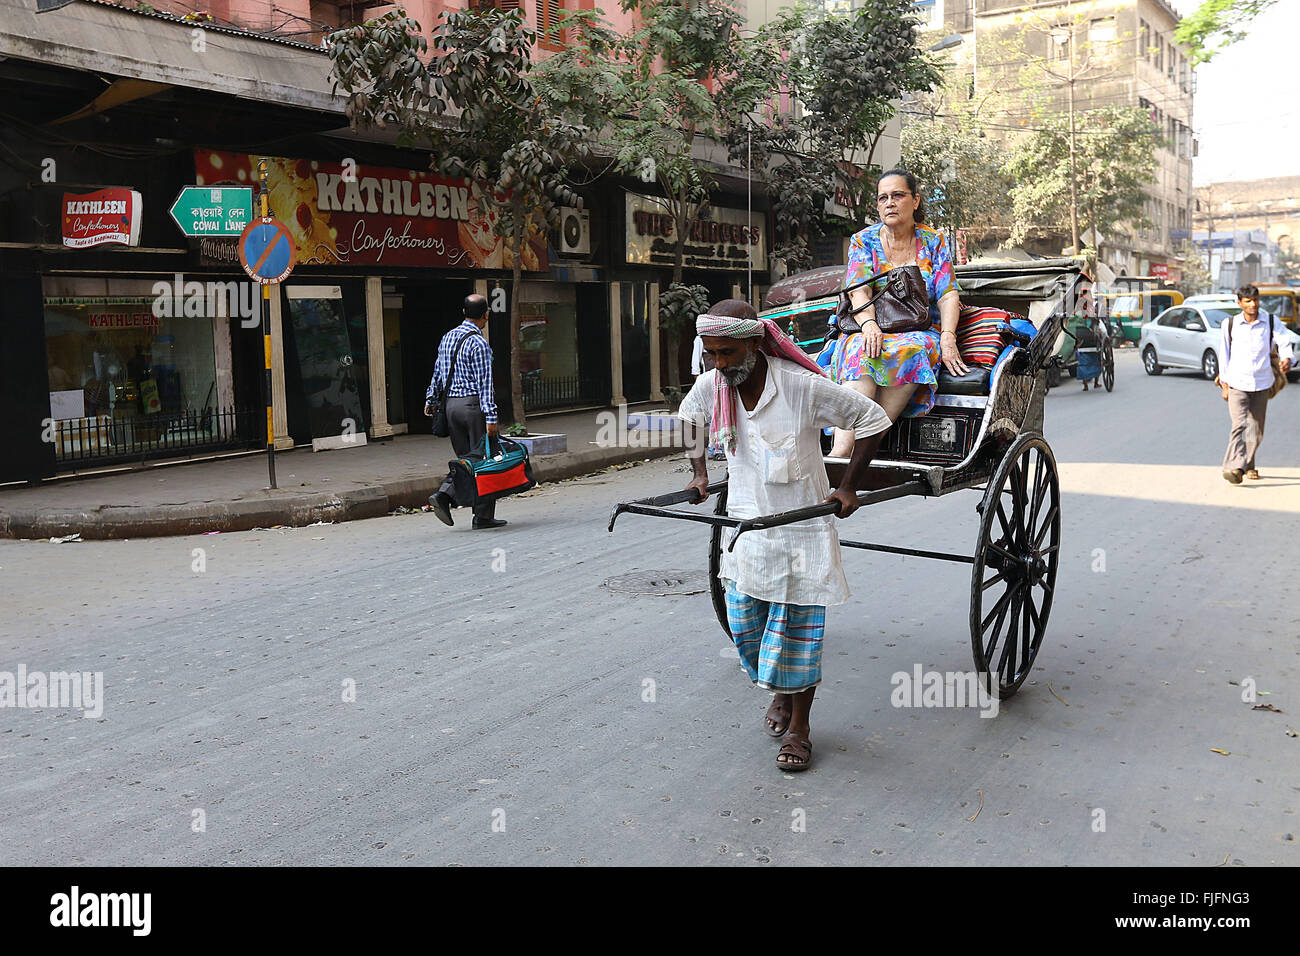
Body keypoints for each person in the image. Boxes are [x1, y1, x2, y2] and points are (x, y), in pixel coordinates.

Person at [679, 299, 892, 772]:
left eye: (728, 353)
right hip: (746, 531)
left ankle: (801, 728)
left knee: (796, 640)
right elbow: (690, 418)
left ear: (755, 344)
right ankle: (780, 691)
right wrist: (698, 473)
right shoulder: (714, 386)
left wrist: (848, 485)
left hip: (801, 532)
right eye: (712, 353)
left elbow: (872, 420)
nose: (719, 363)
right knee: (749, 635)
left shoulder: (800, 387)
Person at [823, 168, 966, 457]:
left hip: (916, 330)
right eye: (883, 198)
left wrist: (948, 336)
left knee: (914, 349)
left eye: (898, 195)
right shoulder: (863, 240)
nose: (889, 202)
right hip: (868, 325)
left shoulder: (933, 241)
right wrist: (870, 326)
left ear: (915, 201)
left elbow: (948, 292)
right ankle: (839, 454)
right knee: (862, 351)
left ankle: (864, 450)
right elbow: (857, 290)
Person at [426, 294, 506, 528]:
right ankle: (478, 513)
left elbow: (438, 372)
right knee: (483, 460)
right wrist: (491, 417)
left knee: (466, 461)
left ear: (463, 312)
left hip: (451, 407)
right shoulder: (480, 343)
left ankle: (446, 496)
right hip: (473, 408)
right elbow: (485, 383)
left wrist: (431, 398)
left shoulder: (448, 337)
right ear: (486, 315)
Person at [1218, 284, 1293, 483]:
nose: (1253, 304)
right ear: (1240, 303)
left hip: (1262, 382)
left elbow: (1284, 341)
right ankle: (1233, 466)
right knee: (1239, 425)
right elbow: (1224, 355)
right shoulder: (1230, 324)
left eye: (1256, 300)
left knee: (1255, 429)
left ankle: (1249, 464)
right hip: (1236, 382)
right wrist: (1224, 384)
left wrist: (1287, 358)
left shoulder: (1269, 321)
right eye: (1248, 301)